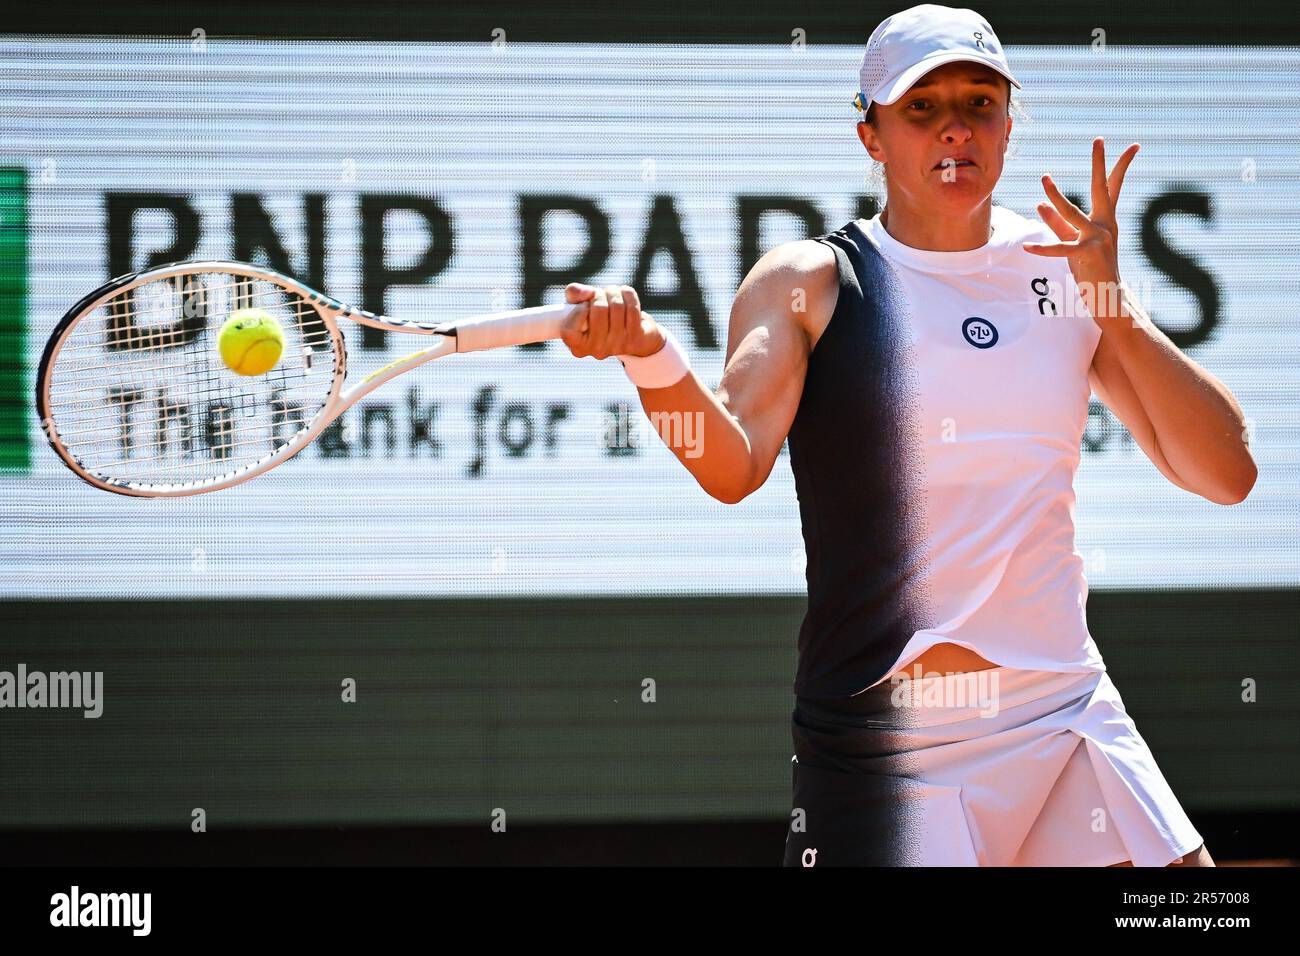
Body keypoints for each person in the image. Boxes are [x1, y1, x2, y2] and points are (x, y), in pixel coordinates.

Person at [559, 4, 1256, 866]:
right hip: (891, 744)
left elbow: (1227, 474)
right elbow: (730, 463)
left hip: (1064, 707)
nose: (955, 129)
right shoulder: (811, 280)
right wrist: (649, 354)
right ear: (872, 136)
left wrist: (1112, 302)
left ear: (1007, 126)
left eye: (979, 103)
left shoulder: (1066, 267)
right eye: (921, 109)